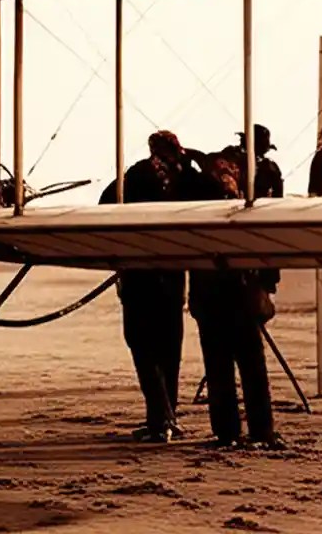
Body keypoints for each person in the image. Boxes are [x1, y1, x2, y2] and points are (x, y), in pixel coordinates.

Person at [99, 130, 201, 443]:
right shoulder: (187, 182)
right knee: (169, 350)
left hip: (140, 278)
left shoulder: (135, 177)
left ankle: (161, 418)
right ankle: (165, 416)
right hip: (170, 278)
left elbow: (104, 206)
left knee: (143, 347)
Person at [188, 124, 285, 449]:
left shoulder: (205, 175)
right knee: (251, 365)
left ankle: (227, 431)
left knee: (218, 365)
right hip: (241, 284)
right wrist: (268, 284)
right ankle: (261, 430)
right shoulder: (265, 174)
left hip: (209, 284)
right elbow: (273, 234)